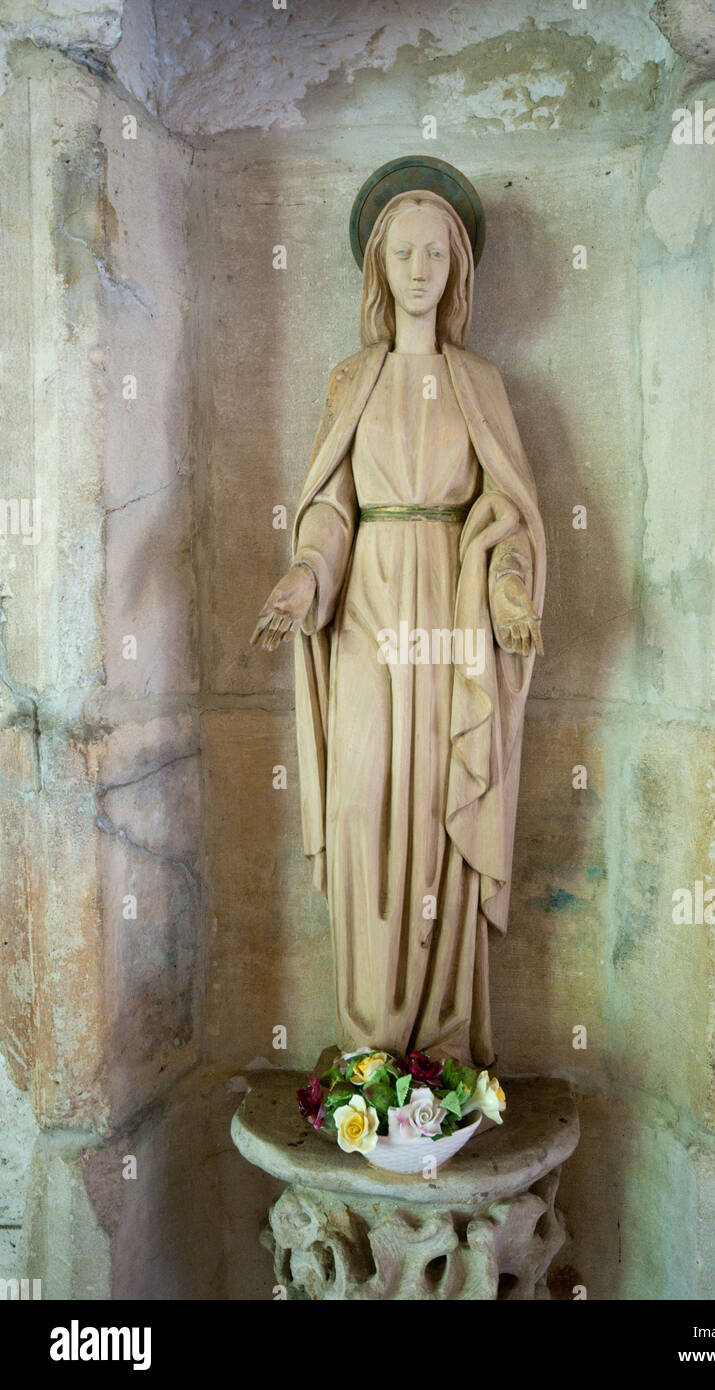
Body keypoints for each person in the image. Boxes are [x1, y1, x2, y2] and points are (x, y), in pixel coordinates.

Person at [251, 189, 546, 1069]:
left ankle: (440, 1046)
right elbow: (330, 504)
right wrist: (307, 575)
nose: (420, 271)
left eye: (437, 254)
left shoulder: (479, 383)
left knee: (438, 797)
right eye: (403, 253)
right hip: (367, 612)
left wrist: (507, 588)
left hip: (453, 614)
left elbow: (506, 511)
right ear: (377, 266)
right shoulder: (352, 380)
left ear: (459, 269)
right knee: (363, 797)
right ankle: (369, 1042)